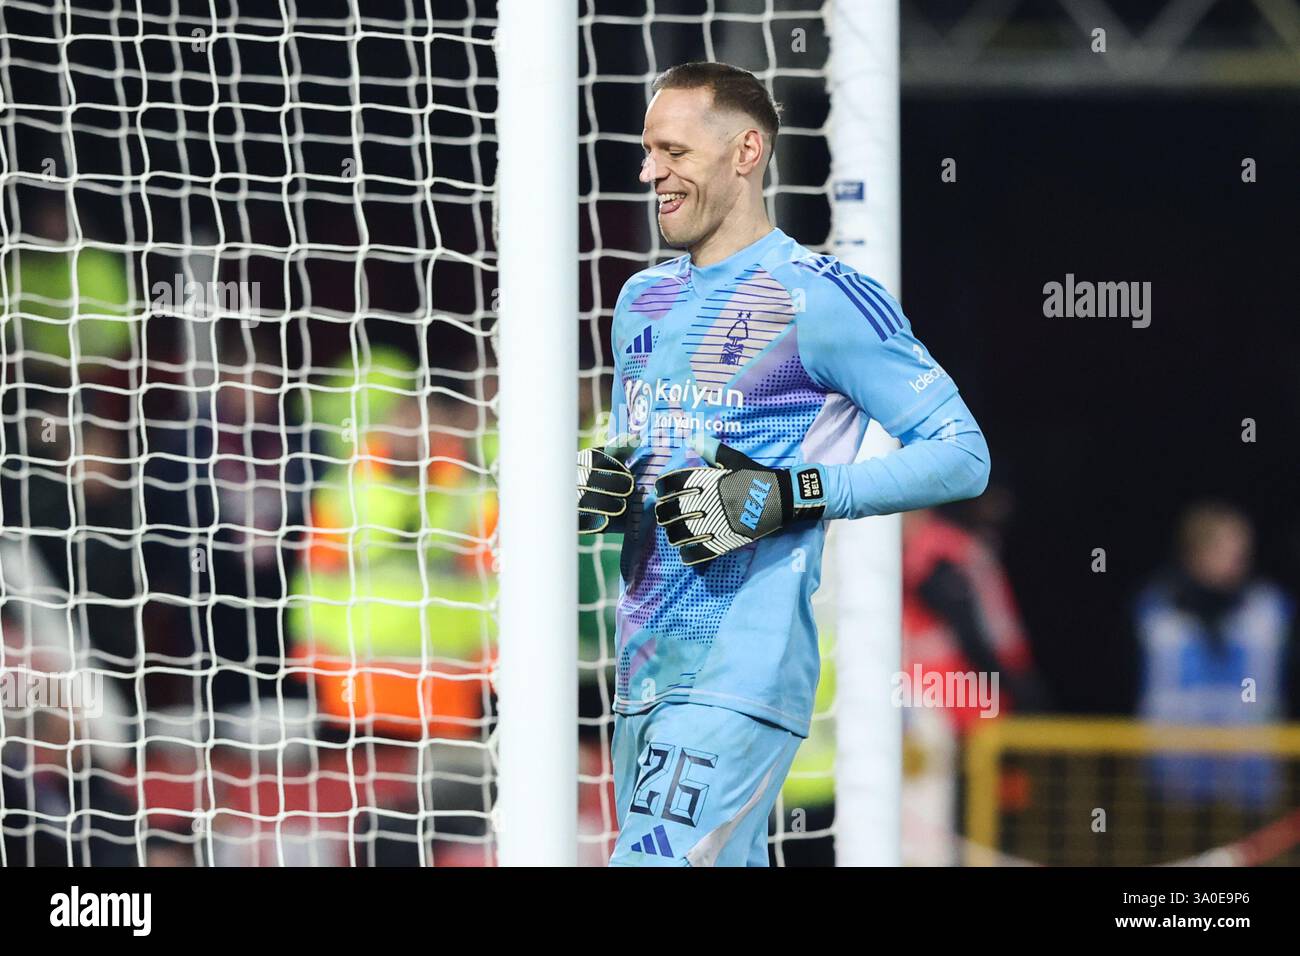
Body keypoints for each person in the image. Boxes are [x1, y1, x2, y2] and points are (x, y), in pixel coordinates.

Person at [576, 62, 990, 867]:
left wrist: (788, 494)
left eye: (673, 150)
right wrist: (611, 485)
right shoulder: (641, 302)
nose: (649, 170)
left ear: (746, 151)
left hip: (743, 669)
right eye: (645, 151)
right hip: (644, 673)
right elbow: (656, 464)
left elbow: (962, 455)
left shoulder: (822, 298)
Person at [1135, 502, 1297, 807]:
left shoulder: (1269, 609)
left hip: (1249, 780)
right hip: (1176, 782)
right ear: (1194, 553)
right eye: (1225, 552)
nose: (1237, 563)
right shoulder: (1156, 609)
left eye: (1242, 554)